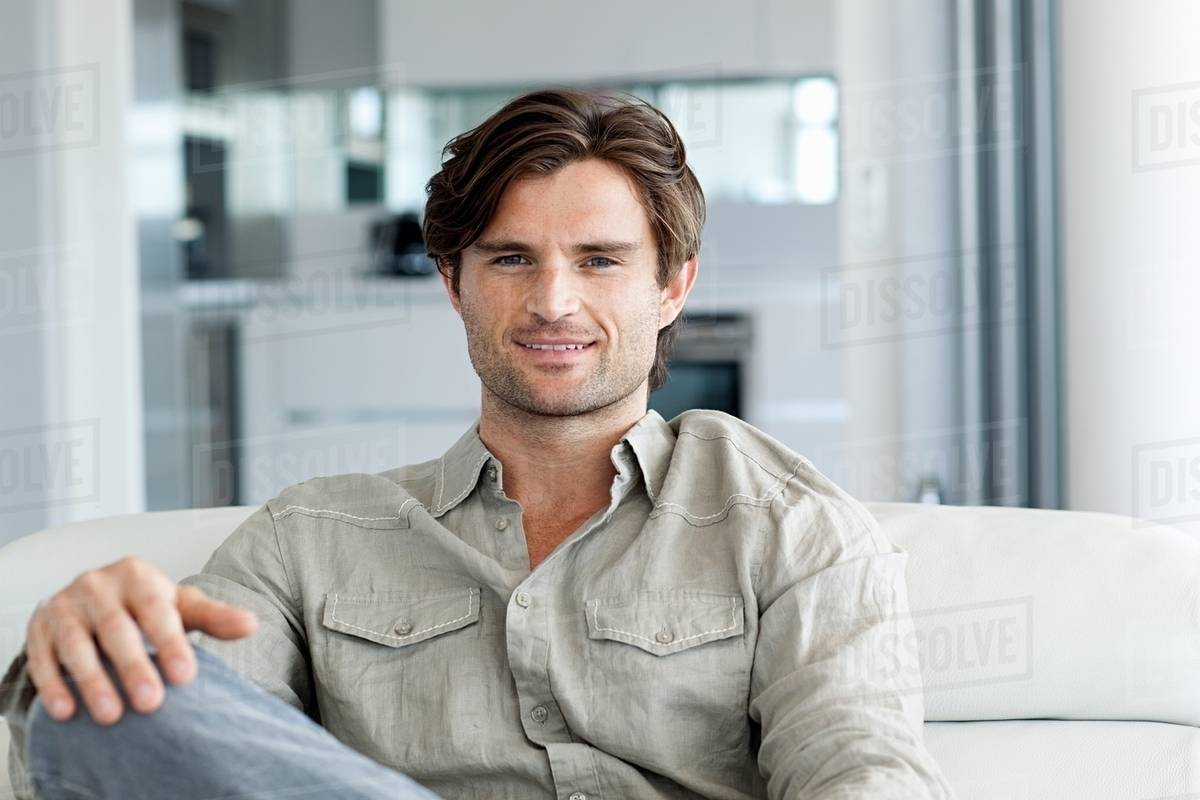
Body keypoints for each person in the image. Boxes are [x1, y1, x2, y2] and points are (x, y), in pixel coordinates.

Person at [1, 87, 955, 799]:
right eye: (510, 258)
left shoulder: (789, 526)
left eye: (599, 260)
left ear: (672, 287)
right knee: (104, 696)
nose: (552, 301)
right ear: (454, 284)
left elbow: (860, 767)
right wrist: (92, 642)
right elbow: (171, 729)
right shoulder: (311, 536)